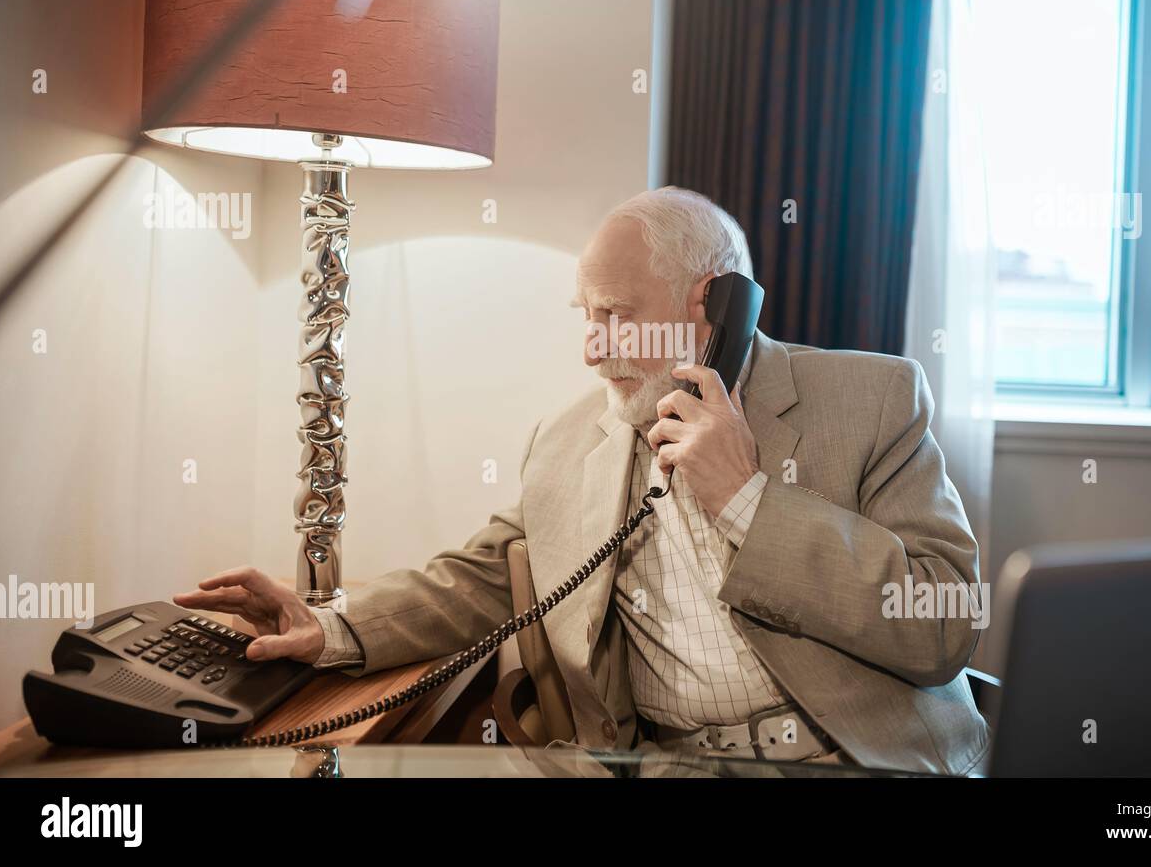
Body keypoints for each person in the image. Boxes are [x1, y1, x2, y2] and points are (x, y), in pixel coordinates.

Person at [175, 186, 990, 774]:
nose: (592, 351)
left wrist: (749, 500)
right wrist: (329, 624)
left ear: (712, 305)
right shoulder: (568, 444)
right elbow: (478, 580)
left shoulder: (874, 401)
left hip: (857, 760)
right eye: (585, 317)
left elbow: (943, 624)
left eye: (615, 314)